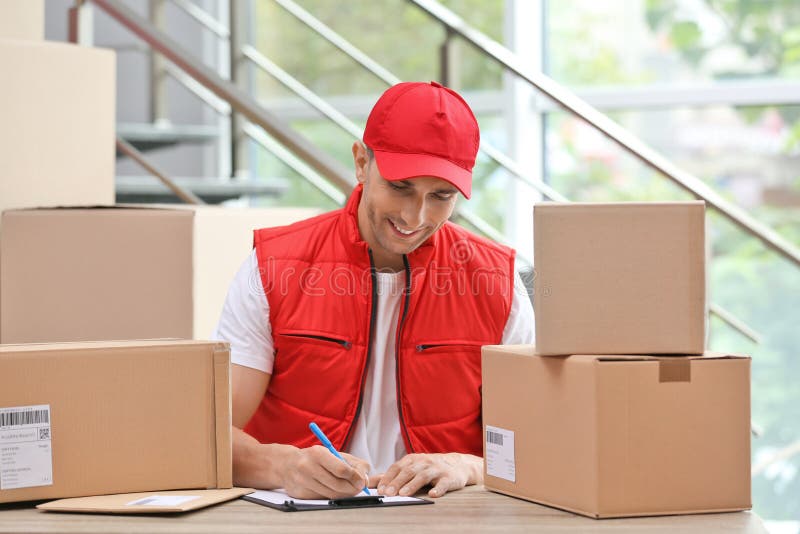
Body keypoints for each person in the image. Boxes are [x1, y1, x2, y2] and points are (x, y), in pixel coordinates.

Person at [212, 81, 534, 501]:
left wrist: (466, 465)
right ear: (362, 163)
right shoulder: (272, 266)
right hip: (300, 522)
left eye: (441, 195)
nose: (415, 216)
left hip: (448, 520)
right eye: (400, 187)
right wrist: (284, 464)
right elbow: (212, 435)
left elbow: (540, 442)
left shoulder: (499, 280)